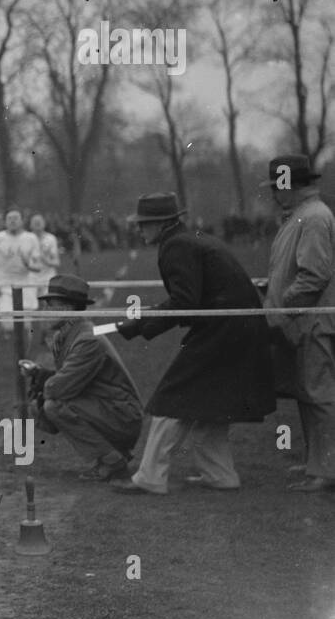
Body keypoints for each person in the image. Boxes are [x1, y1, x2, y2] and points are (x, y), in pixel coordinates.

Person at [112, 193, 274, 494]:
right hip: (238, 329)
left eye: (144, 223)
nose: (139, 229)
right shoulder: (190, 239)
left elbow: (184, 302)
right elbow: (191, 299)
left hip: (224, 330)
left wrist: (142, 323)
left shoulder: (176, 246)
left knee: (171, 399)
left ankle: (150, 478)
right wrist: (143, 322)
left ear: (162, 224)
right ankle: (220, 475)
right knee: (211, 402)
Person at [19, 274, 143, 481]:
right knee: (52, 404)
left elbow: (60, 388)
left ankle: (112, 461)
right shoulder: (71, 334)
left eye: (50, 306)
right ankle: (111, 456)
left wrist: (42, 386)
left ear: (68, 308)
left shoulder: (86, 339)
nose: (45, 311)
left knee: (54, 406)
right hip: (110, 408)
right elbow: (70, 379)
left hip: (123, 416)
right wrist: (38, 373)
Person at [262, 155, 335, 493]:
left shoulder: (314, 218)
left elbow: (314, 276)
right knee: (308, 393)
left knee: (318, 395)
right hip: (301, 320)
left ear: (289, 186)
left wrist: (283, 310)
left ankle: (327, 469)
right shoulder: (302, 216)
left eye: (277, 187)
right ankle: (317, 463)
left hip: (311, 321)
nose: (274, 195)